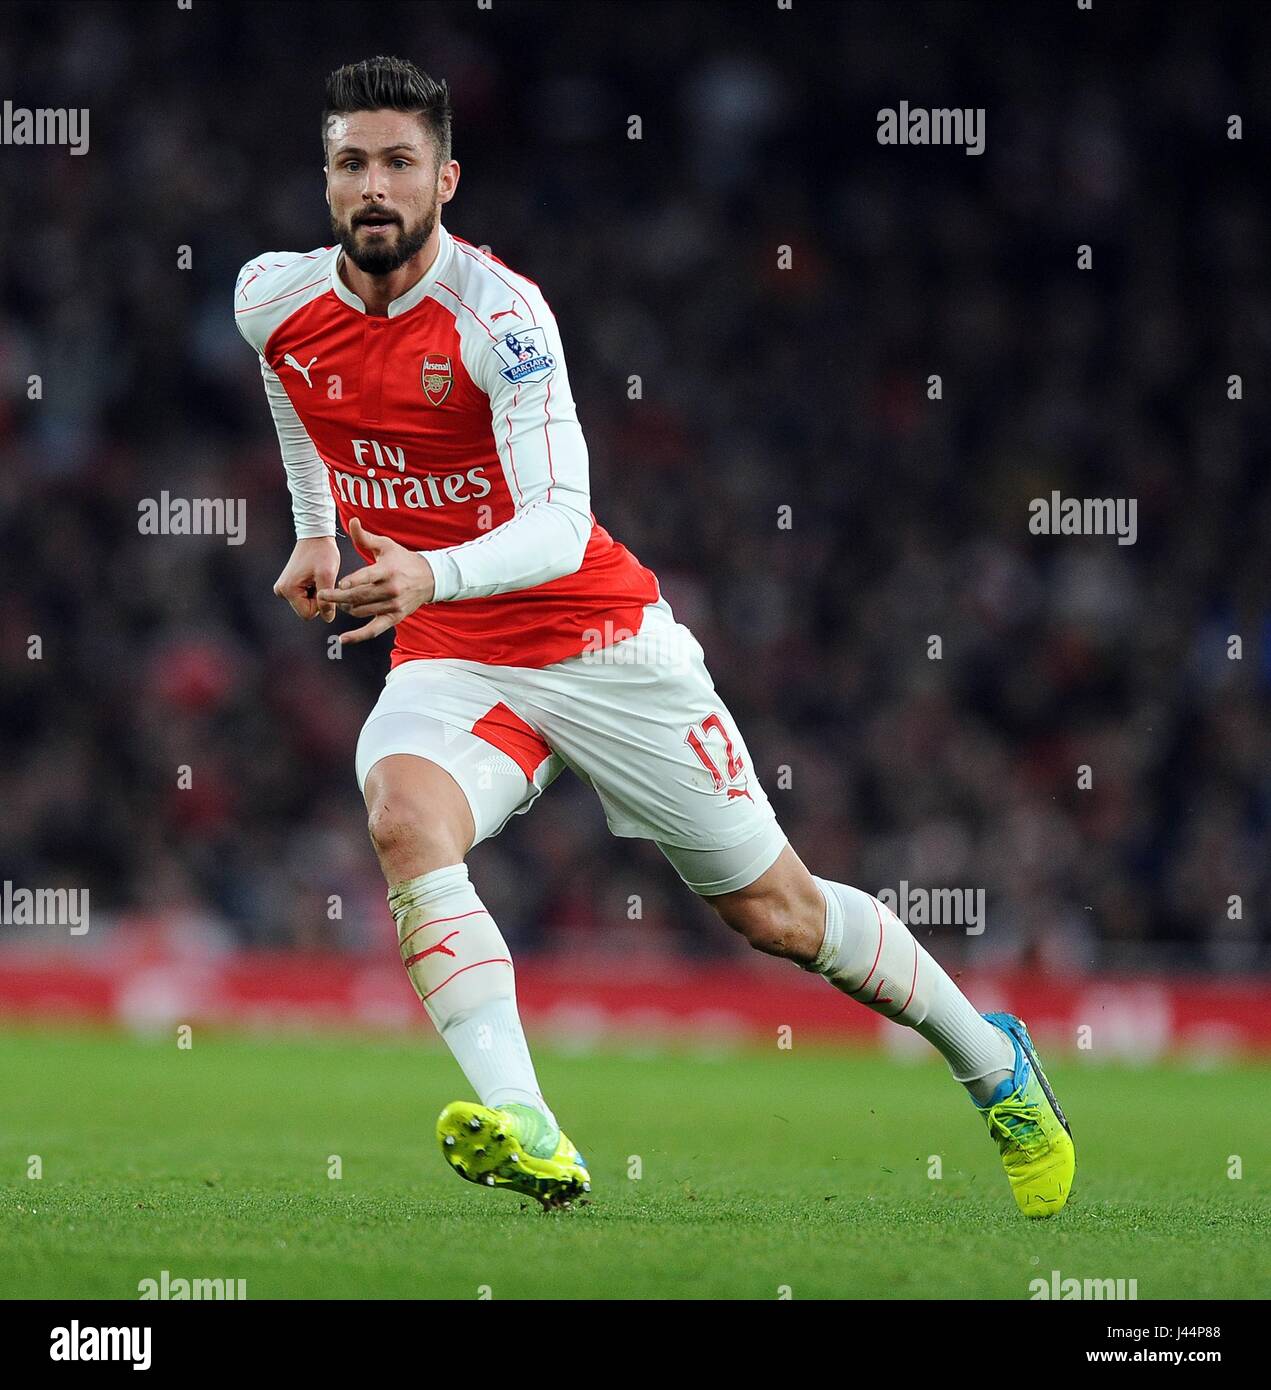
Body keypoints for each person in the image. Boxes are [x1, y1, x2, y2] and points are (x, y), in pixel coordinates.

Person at [235, 56, 1074, 1216]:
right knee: (403, 818)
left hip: (600, 641)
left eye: (398, 163)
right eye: (350, 164)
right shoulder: (269, 298)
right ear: (323, 181)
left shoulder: (502, 319)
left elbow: (558, 524)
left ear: (446, 179)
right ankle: (526, 1121)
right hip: (452, 653)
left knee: (773, 912)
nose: (373, 186)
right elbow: (292, 394)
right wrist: (316, 533)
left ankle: (992, 1061)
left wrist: (427, 568)